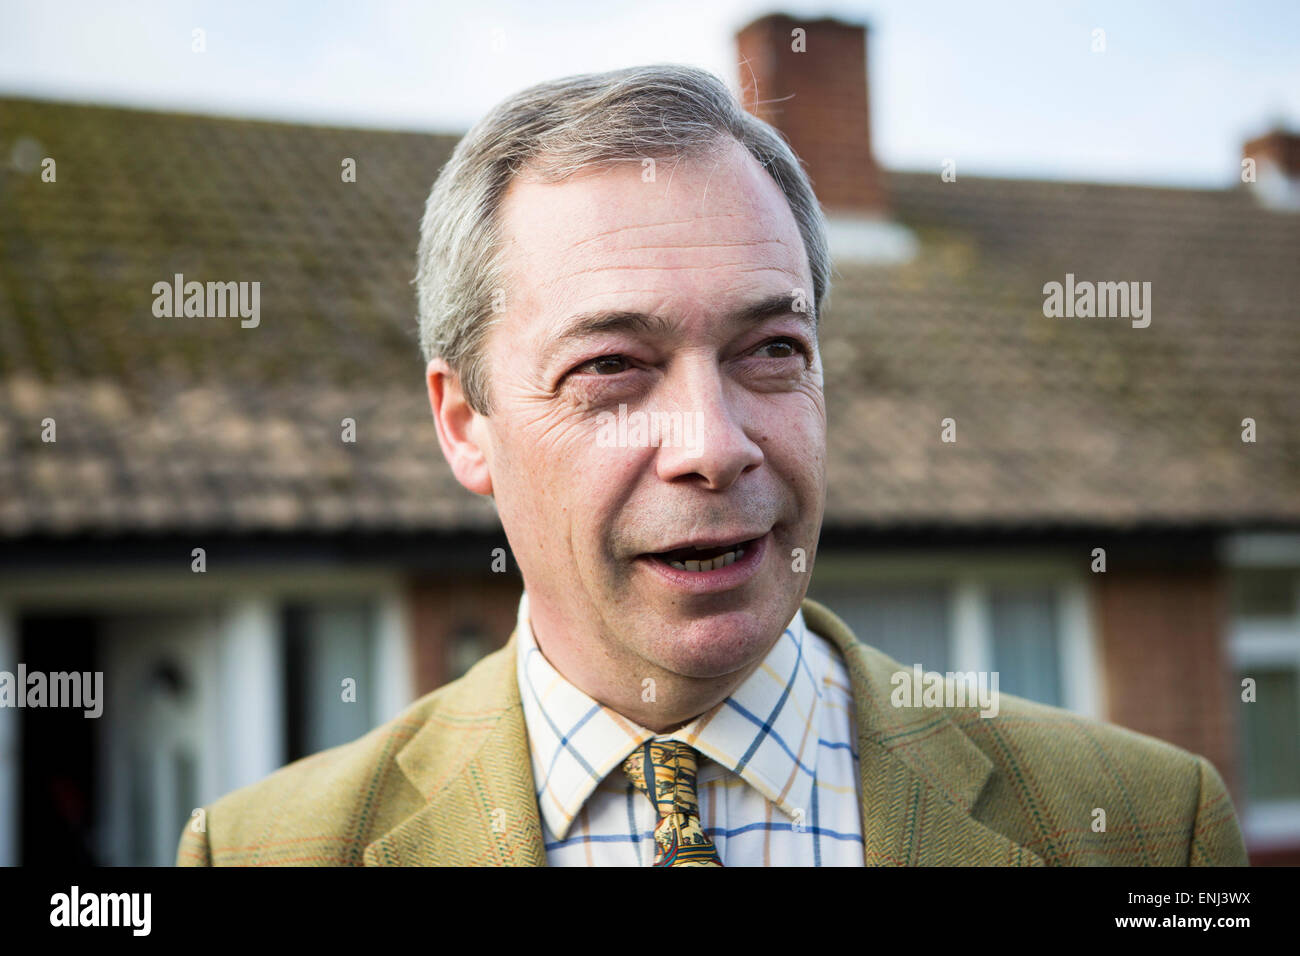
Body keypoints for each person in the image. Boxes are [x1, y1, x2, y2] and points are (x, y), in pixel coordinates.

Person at [177, 64, 1248, 867]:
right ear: (465, 422)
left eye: (771, 350)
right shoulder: (260, 851)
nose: (714, 443)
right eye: (611, 366)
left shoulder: (1151, 826)